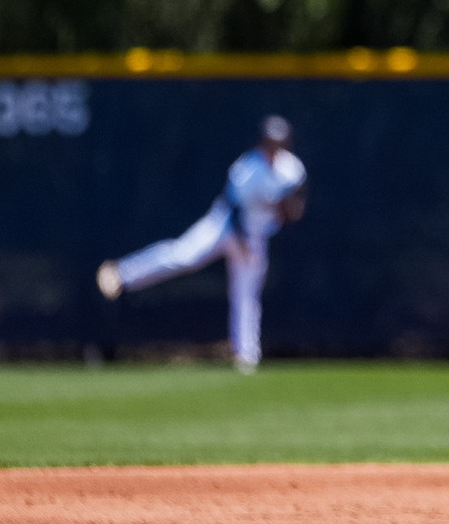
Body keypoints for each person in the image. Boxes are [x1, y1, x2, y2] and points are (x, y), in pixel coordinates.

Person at [97, 115, 308, 374]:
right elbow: (235, 209)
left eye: (279, 143)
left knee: (247, 295)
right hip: (224, 226)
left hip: (255, 236)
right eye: (269, 142)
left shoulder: (292, 169)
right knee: (182, 255)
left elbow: (295, 204)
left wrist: (290, 210)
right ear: (261, 142)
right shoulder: (248, 168)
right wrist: (243, 242)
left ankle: (246, 356)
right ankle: (120, 272)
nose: (274, 148)